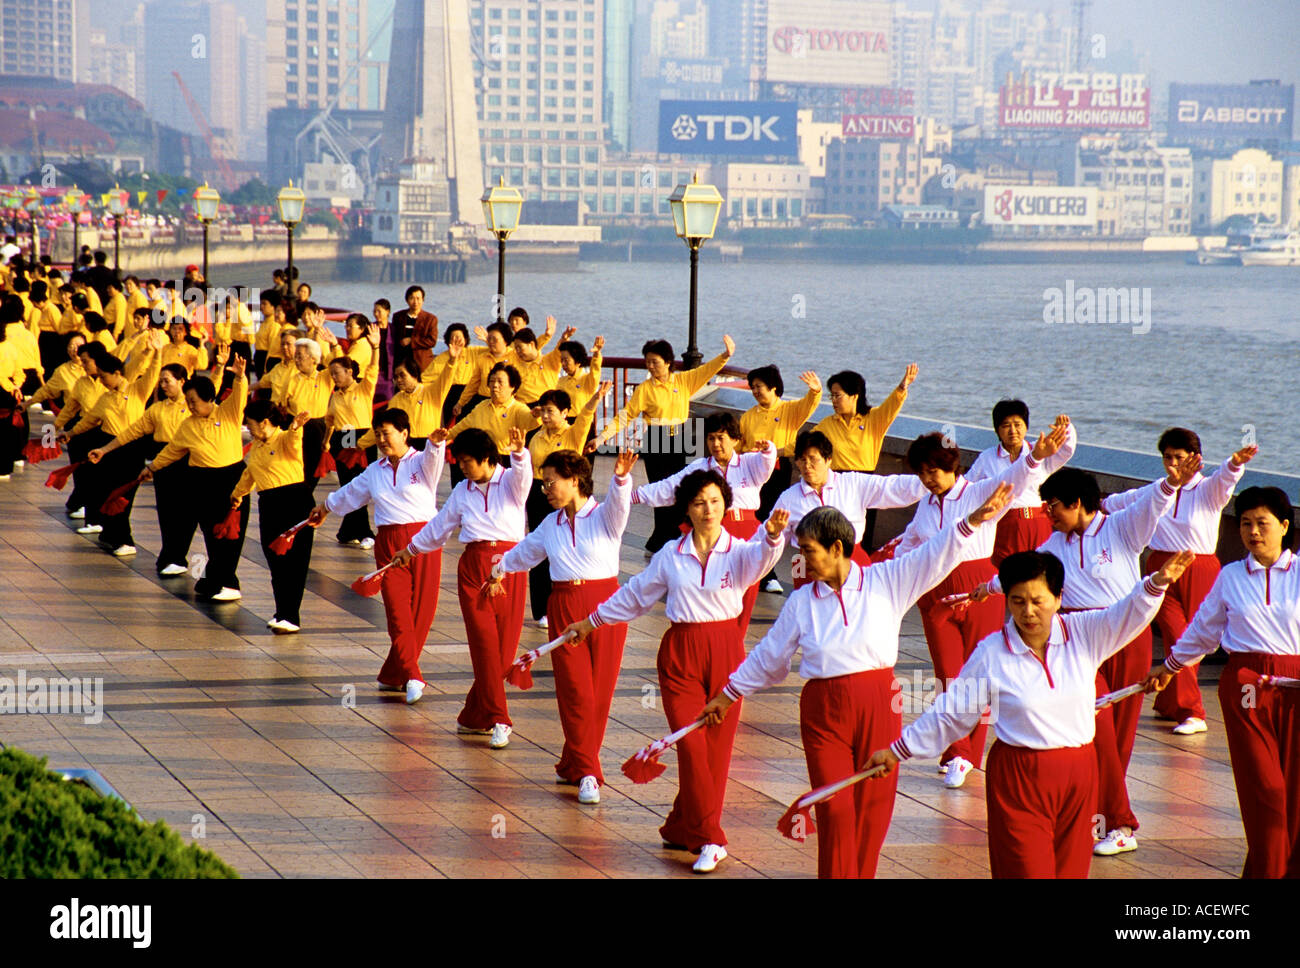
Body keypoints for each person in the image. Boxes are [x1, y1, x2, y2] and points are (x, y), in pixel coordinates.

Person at [699, 487, 1014, 878]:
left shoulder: (888, 578)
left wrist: (973, 521)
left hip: (879, 705)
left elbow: (935, 554)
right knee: (833, 804)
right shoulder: (801, 602)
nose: (802, 561)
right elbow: (768, 656)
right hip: (822, 712)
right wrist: (728, 695)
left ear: (836, 547)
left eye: (809, 550)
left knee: (873, 804)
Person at [868, 550, 1191, 879]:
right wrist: (898, 751)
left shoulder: (1084, 633)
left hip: (1079, 774)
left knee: (1071, 870)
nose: (1028, 612)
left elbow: (1126, 615)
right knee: (1025, 871)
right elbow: (951, 713)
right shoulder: (991, 653)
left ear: (1058, 597)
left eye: (1039, 600)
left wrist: (1156, 584)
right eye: (1017, 601)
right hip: (1018, 776)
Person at [974, 453, 1202, 855]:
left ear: (1077, 502)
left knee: (1120, 736)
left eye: (1054, 506)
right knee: (1097, 728)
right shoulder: (1054, 543)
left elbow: (1151, 506)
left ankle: (1114, 823)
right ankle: (1114, 818)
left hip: (1125, 635)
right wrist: (985, 589)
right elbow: (1023, 572)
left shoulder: (1120, 528)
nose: (1049, 513)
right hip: (1078, 643)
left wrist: (1171, 484)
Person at [561, 470, 788, 874]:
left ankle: (686, 825)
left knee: (714, 752)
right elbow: (635, 596)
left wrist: (772, 537)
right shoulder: (670, 554)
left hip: (726, 654)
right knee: (692, 746)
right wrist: (591, 621)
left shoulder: (739, 551)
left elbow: (761, 560)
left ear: (726, 504)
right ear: (687, 508)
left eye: (716, 501)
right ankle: (712, 839)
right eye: (700, 502)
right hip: (680, 655)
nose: (709, 510)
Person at [894, 417, 1075, 788]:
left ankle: (964, 756)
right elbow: (910, 541)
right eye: (922, 474)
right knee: (949, 676)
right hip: (936, 595)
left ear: (951, 467)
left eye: (934, 471)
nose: (929, 480)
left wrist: (1034, 458)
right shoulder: (927, 504)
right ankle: (956, 748)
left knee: (980, 677)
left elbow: (1013, 480)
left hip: (977, 592)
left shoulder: (977, 492)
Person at [1145, 486, 1300, 878]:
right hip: (1247, 687)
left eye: (1262, 523)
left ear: (1284, 526)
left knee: (1296, 790)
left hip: (1296, 687)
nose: (1253, 532)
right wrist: (1171, 665)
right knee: (1265, 788)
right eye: (1245, 523)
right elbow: (1203, 630)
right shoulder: (1231, 575)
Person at [485, 448, 638, 803]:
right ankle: (588, 772)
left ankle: (576, 760)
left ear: (575, 480)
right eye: (544, 484)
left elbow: (620, 507)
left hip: (607, 609)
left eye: (552, 482)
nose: (547, 490)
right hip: (565, 607)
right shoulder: (548, 525)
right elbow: (523, 553)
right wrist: (497, 570)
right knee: (574, 691)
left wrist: (620, 480)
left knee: (598, 694)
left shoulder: (603, 517)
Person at [1103, 429, 1256, 735]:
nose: (1173, 464)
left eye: (1180, 457)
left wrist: (1235, 464)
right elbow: (1114, 503)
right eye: (1168, 457)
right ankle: (1193, 711)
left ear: (1195, 460)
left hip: (1200, 568)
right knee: (1177, 635)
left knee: (1195, 640)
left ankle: (1172, 702)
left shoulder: (1207, 490)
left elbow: (1225, 480)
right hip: (1161, 568)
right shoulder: (1157, 490)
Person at [390, 427, 531, 745]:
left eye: (467, 461)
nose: (462, 468)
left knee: (504, 652)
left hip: (510, 566)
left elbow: (524, 476)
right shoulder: (462, 491)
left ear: (486, 458)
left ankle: (474, 715)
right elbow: (439, 527)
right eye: (459, 462)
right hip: (473, 568)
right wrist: (410, 550)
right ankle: (499, 718)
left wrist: (521, 453)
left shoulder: (510, 481)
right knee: (484, 647)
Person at [310, 412, 448, 702]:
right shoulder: (375, 470)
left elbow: (434, 463)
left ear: (405, 433)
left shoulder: (422, 460)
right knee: (397, 613)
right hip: (388, 544)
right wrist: (325, 507)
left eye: (388, 433)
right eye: (379, 434)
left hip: (424, 541)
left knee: (421, 612)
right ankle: (412, 675)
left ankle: (392, 673)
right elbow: (352, 492)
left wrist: (435, 445)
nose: (382, 440)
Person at [631, 412, 777, 634]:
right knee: (715, 591)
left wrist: (768, 449)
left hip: (746, 532)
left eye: (721, 437)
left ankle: (733, 645)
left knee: (747, 593)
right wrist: (630, 496)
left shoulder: (749, 462)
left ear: (735, 439)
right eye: (711, 438)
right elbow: (670, 488)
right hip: (712, 532)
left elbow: (766, 465)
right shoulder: (701, 467)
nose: (716, 444)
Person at [590, 335, 736, 553]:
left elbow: (709, 370)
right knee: (660, 489)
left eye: (655, 362)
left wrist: (725, 355)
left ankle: (675, 536)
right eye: (647, 362)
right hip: (656, 440)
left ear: (668, 362)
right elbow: (625, 416)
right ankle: (661, 540)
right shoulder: (645, 389)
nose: (650, 366)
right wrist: (601, 438)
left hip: (681, 437)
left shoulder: (684, 381)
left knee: (682, 491)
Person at [139, 355, 251, 602]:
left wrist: (240, 376)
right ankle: (215, 578)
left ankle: (229, 584)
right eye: (188, 401)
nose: (190, 406)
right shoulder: (188, 425)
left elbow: (240, 396)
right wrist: (153, 468)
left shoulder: (228, 413)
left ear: (209, 399)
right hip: (200, 481)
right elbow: (172, 451)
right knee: (211, 533)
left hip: (230, 480)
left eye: (194, 401)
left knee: (229, 534)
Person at [88, 361, 194, 576]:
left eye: (168, 381)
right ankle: (171, 555)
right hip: (163, 462)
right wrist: (105, 449)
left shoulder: (193, 408)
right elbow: (131, 432)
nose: (163, 385)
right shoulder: (156, 409)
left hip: (189, 462)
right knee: (166, 512)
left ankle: (177, 556)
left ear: (182, 381)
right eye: (161, 381)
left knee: (185, 513)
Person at [522, 384, 610, 627]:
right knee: (540, 548)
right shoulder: (536, 436)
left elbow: (585, 417)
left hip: (566, 495)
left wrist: (595, 398)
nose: (546, 416)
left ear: (564, 412)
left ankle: (571, 602)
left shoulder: (573, 433)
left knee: (564, 548)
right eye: (544, 411)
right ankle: (542, 609)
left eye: (551, 411)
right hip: (539, 493)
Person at [71, 334, 165, 555]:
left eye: (104, 377)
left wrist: (157, 352)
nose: (102, 381)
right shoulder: (106, 397)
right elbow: (89, 420)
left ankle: (126, 541)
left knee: (122, 495)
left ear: (116, 374)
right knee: (105, 492)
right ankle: (111, 534)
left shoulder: (137, 391)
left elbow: (152, 373)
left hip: (131, 449)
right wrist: (69, 432)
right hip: (107, 446)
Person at [232, 401, 313, 633]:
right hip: (269, 504)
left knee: (294, 562)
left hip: (294, 502)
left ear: (264, 423)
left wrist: (296, 427)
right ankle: (282, 612)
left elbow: (294, 442)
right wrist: (237, 494)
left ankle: (290, 616)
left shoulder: (285, 438)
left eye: (250, 424)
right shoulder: (257, 446)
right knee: (274, 557)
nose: (248, 428)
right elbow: (250, 473)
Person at [741, 365, 823, 593]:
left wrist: (815, 391)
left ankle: (768, 574)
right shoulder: (748, 416)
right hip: (752, 470)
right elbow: (740, 445)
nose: (755, 391)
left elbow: (809, 405)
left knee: (771, 516)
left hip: (778, 469)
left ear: (773, 387)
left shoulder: (789, 410)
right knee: (754, 516)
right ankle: (753, 567)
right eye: (752, 387)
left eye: (759, 387)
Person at [967, 399, 1054, 565]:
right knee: (1008, 572)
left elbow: (1066, 450)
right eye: (1006, 425)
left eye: (1017, 424)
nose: (1013, 431)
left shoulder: (1039, 452)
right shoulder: (987, 458)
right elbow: (967, 488)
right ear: (997, 430)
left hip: (1038, 522)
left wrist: (1067, 430)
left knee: (1044, 571)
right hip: (1005, 524)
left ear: (1026, 427)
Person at [324, 332, 381, 548]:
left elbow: (373, 371)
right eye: (332, 374)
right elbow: (330, 420)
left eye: (337, 373)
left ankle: (365, 531)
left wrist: (375, 349)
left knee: (361, 485)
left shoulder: (363, 388)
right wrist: (326, 441)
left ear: (349, 372)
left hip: (361, 438)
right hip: (343, 437)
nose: (334, 377)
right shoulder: (336, 395)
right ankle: (349, 530)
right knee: (348, 485)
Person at [276, 336, 332, 494]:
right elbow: (282, 405)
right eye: (296, 356)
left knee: (311, 469)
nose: (297, 360)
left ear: (313, 359)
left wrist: (332, 344)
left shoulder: (325, 377)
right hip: (295, 426)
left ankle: (306, 496)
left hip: (317, 427)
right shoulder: (292, 379)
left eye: (300, 356)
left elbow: (335, 361)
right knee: (294, 466)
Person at [446, 362, 539, 456]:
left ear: (512, 387)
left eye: (500, 382)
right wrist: (443, 436)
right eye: (492, 381)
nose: (495, 385)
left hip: (506, 458)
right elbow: (460, 427)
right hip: (483, 458)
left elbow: (529, 420)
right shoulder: (482, 406)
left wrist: (535, 415)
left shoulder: (518, 408)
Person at [556, 335, 604, 418]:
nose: (563, 364)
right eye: (562, 360)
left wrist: (596, 354)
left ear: (577, 361)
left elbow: (595, 369)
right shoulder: (560, 381)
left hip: (581, 422)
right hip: (562, 422)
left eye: (566, 360)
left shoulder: (588, 380)